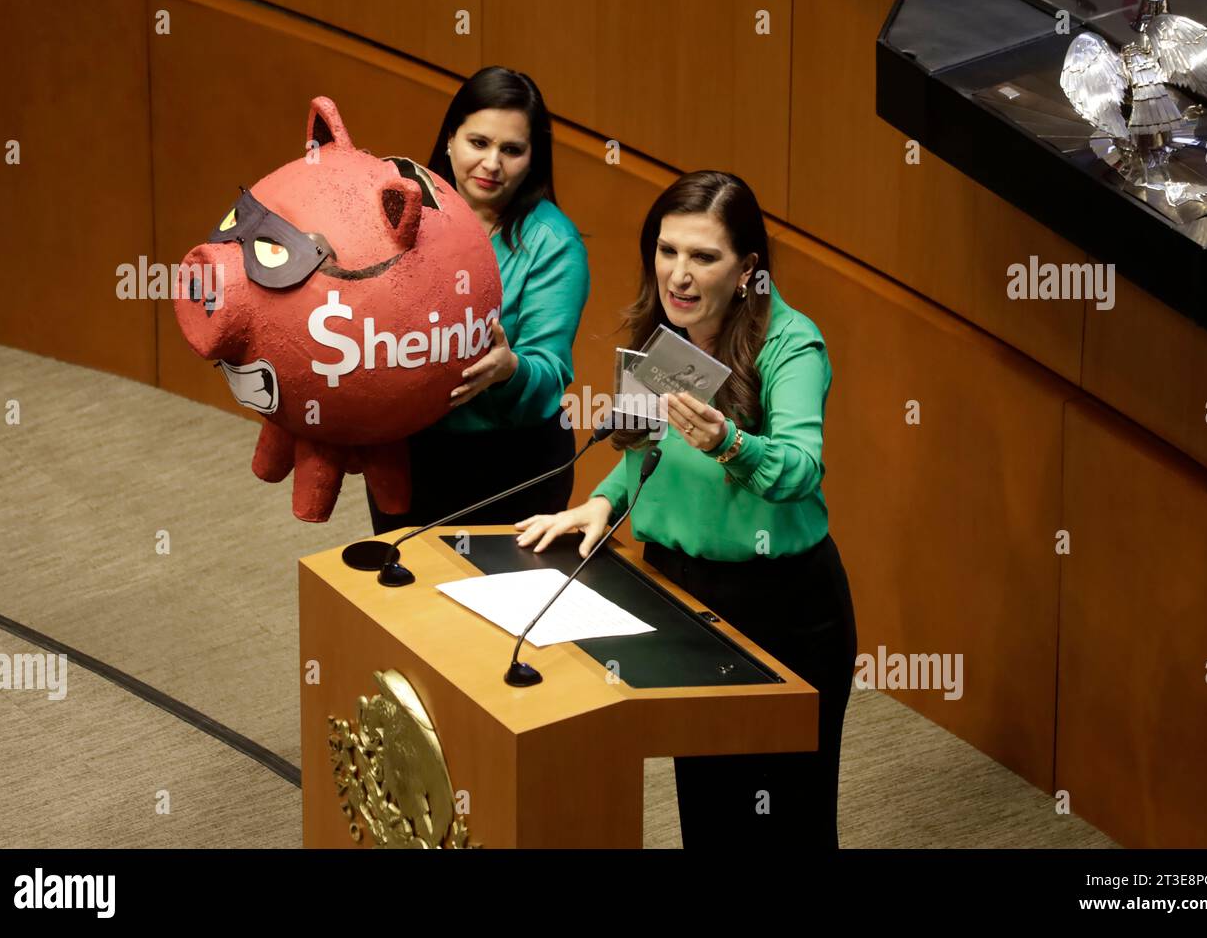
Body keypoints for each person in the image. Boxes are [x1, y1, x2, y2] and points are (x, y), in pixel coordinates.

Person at [515, 170, 857, 848]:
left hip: (779, 609)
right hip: (681, 593)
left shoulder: (793, 344)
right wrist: (604, 502)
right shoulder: (664, 333)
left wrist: (731, 443)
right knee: (708, 810)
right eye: (668, 251)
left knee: (783, 824)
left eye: (703, 257)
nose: (679, 273)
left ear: (747, 268)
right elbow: (647, 452)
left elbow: (800, 467)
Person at [366, 66, 589, 534]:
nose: (492, 163)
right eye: (479, 143)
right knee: (403, 597)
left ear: (533, 158)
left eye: (512, 150)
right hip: (408, 449)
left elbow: (551, 374)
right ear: (450, 140)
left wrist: (509, 370)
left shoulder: (554, 241)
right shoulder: (403, 213)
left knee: (496, 604)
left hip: (510, 461)